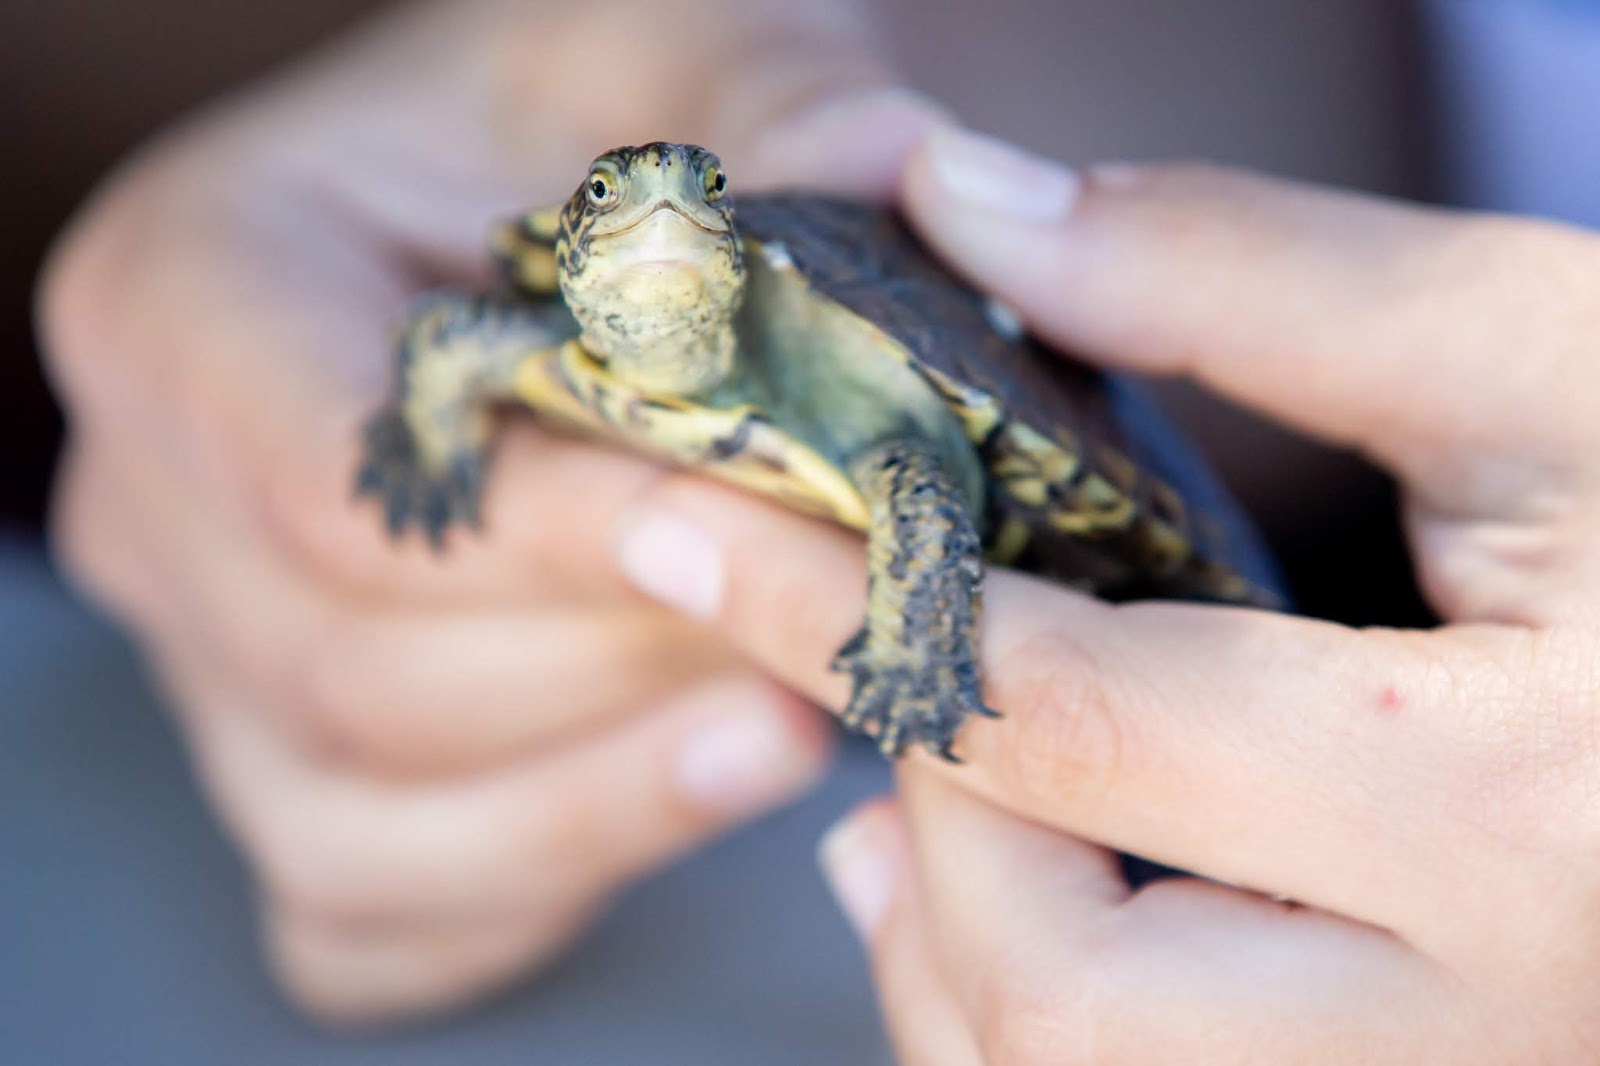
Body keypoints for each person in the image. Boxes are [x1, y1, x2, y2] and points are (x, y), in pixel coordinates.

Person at [39, 0, 1600, 1060]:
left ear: (719, 249)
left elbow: (925, 473)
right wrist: (387, 441)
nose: (652, 223)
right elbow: (453, 341)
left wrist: (923, 649)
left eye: (689, 201)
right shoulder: (545, 342)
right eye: (611, 209)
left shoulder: (827, 360)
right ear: (577, 255)